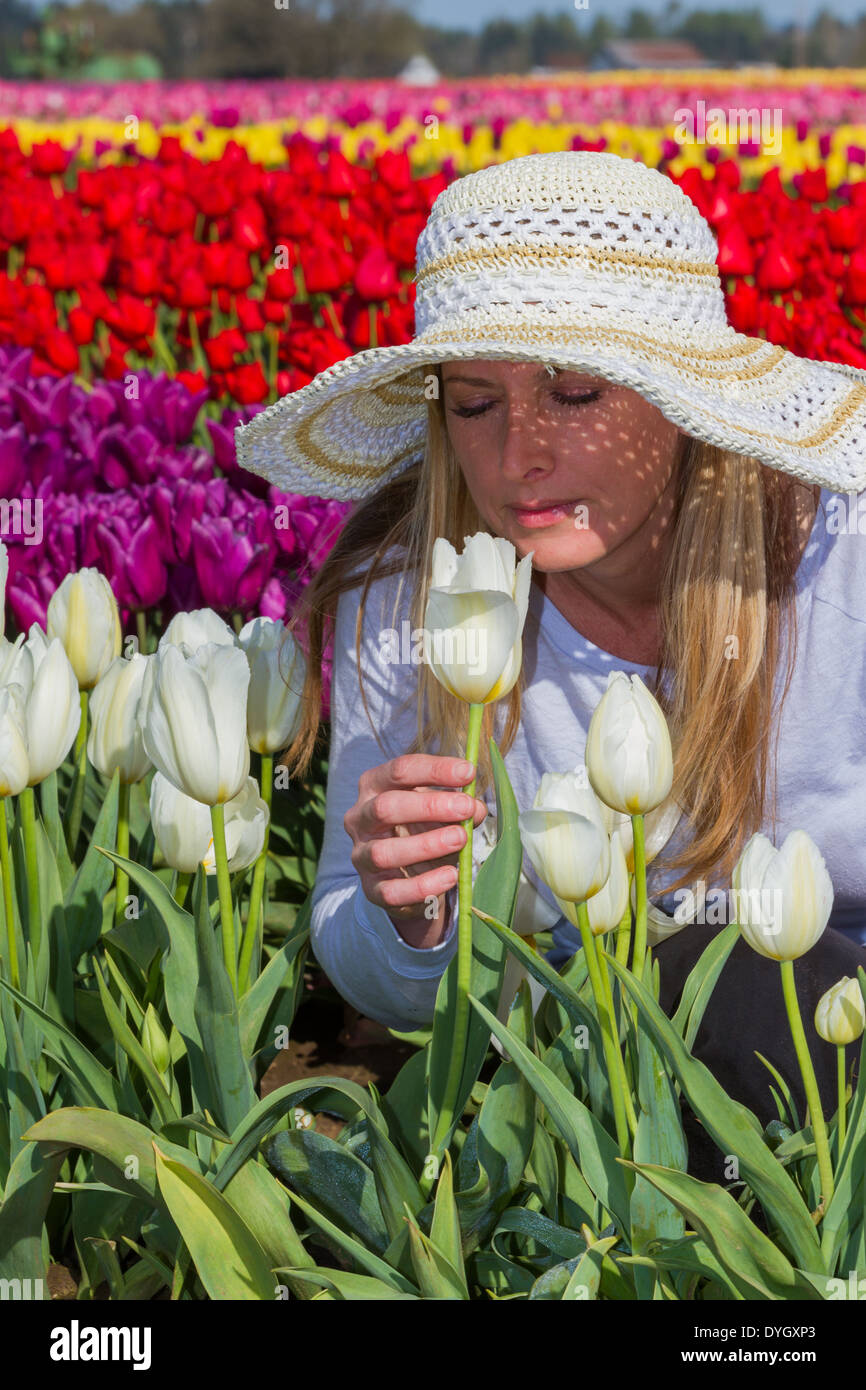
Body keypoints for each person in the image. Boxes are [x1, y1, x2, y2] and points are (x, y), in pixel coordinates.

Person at [234, 151, 866, 1176]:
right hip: (578, 1072)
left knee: (744, 972)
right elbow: (368, 972)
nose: (516, 451)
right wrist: (408, 920)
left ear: (682, 402)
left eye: (572, 392)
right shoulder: (411, 596)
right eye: (474, 403)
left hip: (832, 1026)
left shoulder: (839, 562)